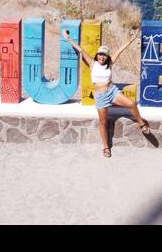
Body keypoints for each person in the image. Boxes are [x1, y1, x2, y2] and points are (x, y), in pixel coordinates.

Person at [63, 26, 153, 157]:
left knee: (132, 104)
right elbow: (80, 50)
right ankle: (106, 147)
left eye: (104, 55)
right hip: (100, 97)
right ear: (97, 55)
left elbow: (121, 49)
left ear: (107, 57)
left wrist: (132, 38)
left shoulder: (109, 64)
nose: (102, 57)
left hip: (113, 92)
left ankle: (141, 123)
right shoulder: (92, 63)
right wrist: (68, 38)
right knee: (103, 123)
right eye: (100, 54)